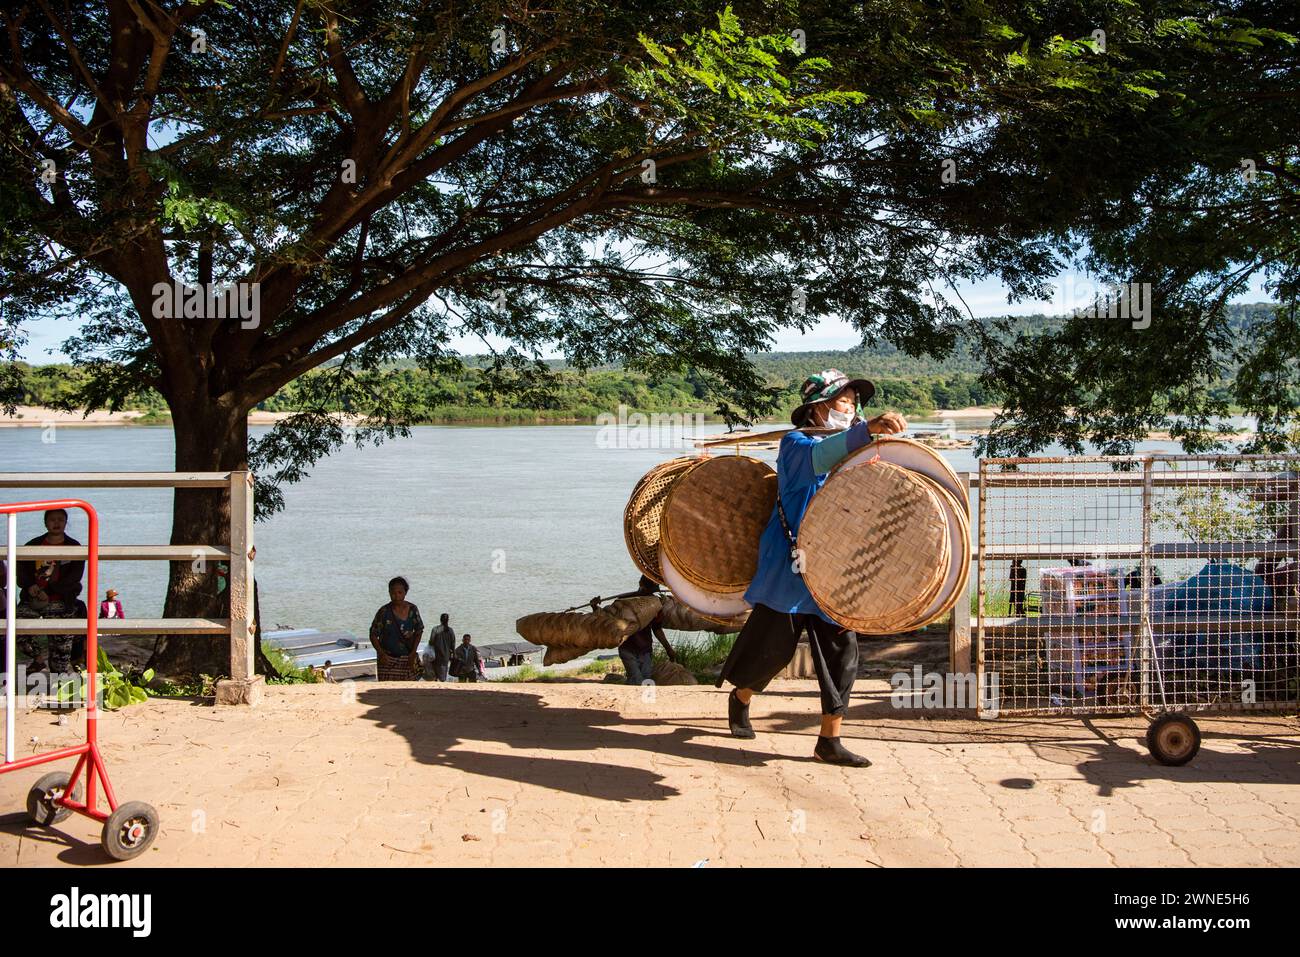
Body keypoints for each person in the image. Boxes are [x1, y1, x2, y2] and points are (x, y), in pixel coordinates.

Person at [717, 369, 907, 767]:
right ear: (818, 409)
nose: (851, 408)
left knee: (843, 654)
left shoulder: (859, 451)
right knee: (770, 653)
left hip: (836, 574)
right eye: (843, 402)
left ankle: (829, 740)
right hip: (790, 569)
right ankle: (741, 697)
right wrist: (865, 430)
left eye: (855, 404)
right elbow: (818, 459)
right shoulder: (796, 444)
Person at [16, 508, 87, 673]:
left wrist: (49, 590)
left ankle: (59, 678)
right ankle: (38, 659)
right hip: (33, 599)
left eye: (60, 520)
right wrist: (29, 586)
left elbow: (74, 577)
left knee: (61, 647)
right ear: (45, 523)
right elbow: (22, 572)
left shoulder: (74, 546)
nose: (56, 523)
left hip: (62, 600)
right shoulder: (32, 545)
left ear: (65, 522)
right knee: (18, 628)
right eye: (52, 519)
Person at [368, 576, 424, 681]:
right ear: (389, 592)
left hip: (407, 660)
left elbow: (419, 631)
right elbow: (373, 634)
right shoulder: (383, 612)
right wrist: (381, 654)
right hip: (387, 661)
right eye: (393, 593)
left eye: (400, 592)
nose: (396, 596)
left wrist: (413, 653)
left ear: (405, 593)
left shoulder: (413, 609)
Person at [618, 576, 669, 685]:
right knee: (636, 681)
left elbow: (657, 629)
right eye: (648, 590)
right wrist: (595, 608)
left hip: (645, 650)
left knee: (645, 681)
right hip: (627, 648)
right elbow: (607, 620)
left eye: (652, 592)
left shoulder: (654, 605)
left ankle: (641, 701)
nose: (650, 594)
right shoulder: (623, 601)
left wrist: (668, 649)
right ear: (641, 584)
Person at [423, 612, 456, 681]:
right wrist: (454, 653)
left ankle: (436, 680)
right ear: (448, 620)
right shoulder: (450, 630)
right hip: (446, 654)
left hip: (436, 653)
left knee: (436, 668)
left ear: (440, 620)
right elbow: (453, 644)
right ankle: (442, 681)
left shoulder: (435, 629)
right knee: (444, 669)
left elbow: (431, 641)